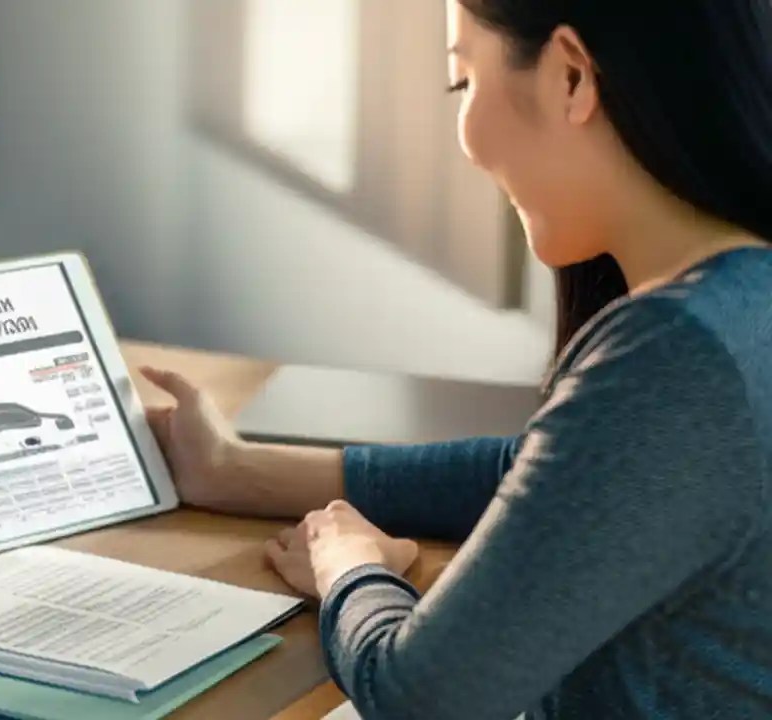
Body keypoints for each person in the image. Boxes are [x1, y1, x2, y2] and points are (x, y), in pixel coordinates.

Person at [141, 1, 772, 718]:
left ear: (570, 76)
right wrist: (234, 470)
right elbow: (554, 475)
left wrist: (352, 568)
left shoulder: (675, 355)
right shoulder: (739, 312)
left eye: (462, 81)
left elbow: (423, 698)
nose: (467, 141)